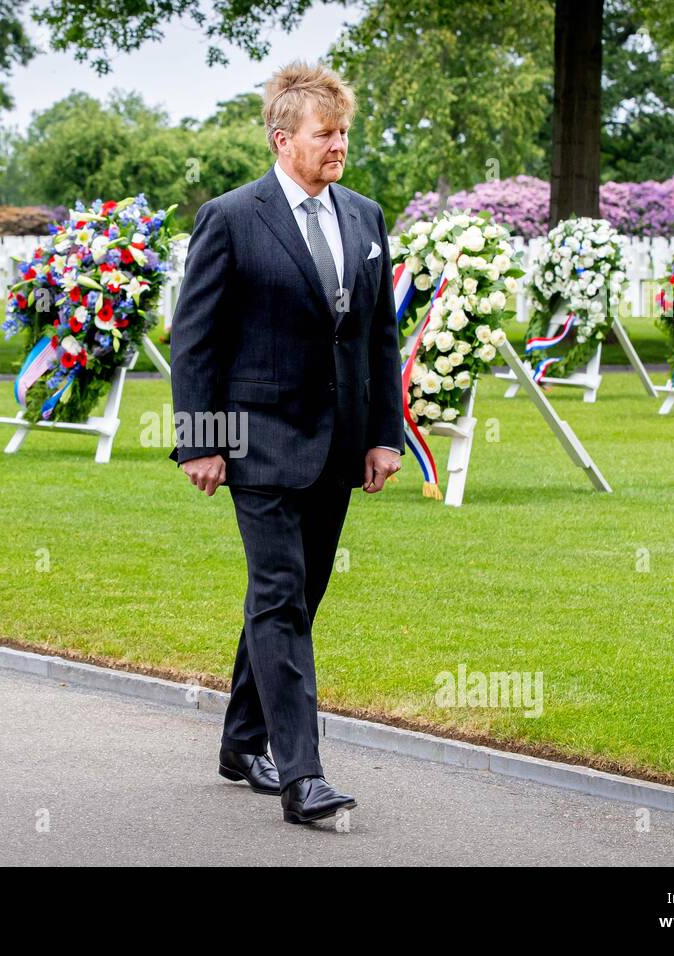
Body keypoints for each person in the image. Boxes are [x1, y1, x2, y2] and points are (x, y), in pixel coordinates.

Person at [168, 62, 404, 825]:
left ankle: (241, 742)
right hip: (256, 442)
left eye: (343, 133)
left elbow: (379, 338)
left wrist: (383, 436)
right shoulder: (233, 217)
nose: (338, 146)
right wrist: (200, 441)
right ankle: (304, 777)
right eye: (324, 134)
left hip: (339, 445)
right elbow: (196, 338)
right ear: (283, 138)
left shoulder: (366, 216)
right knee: (279, 598)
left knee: (296, 597)